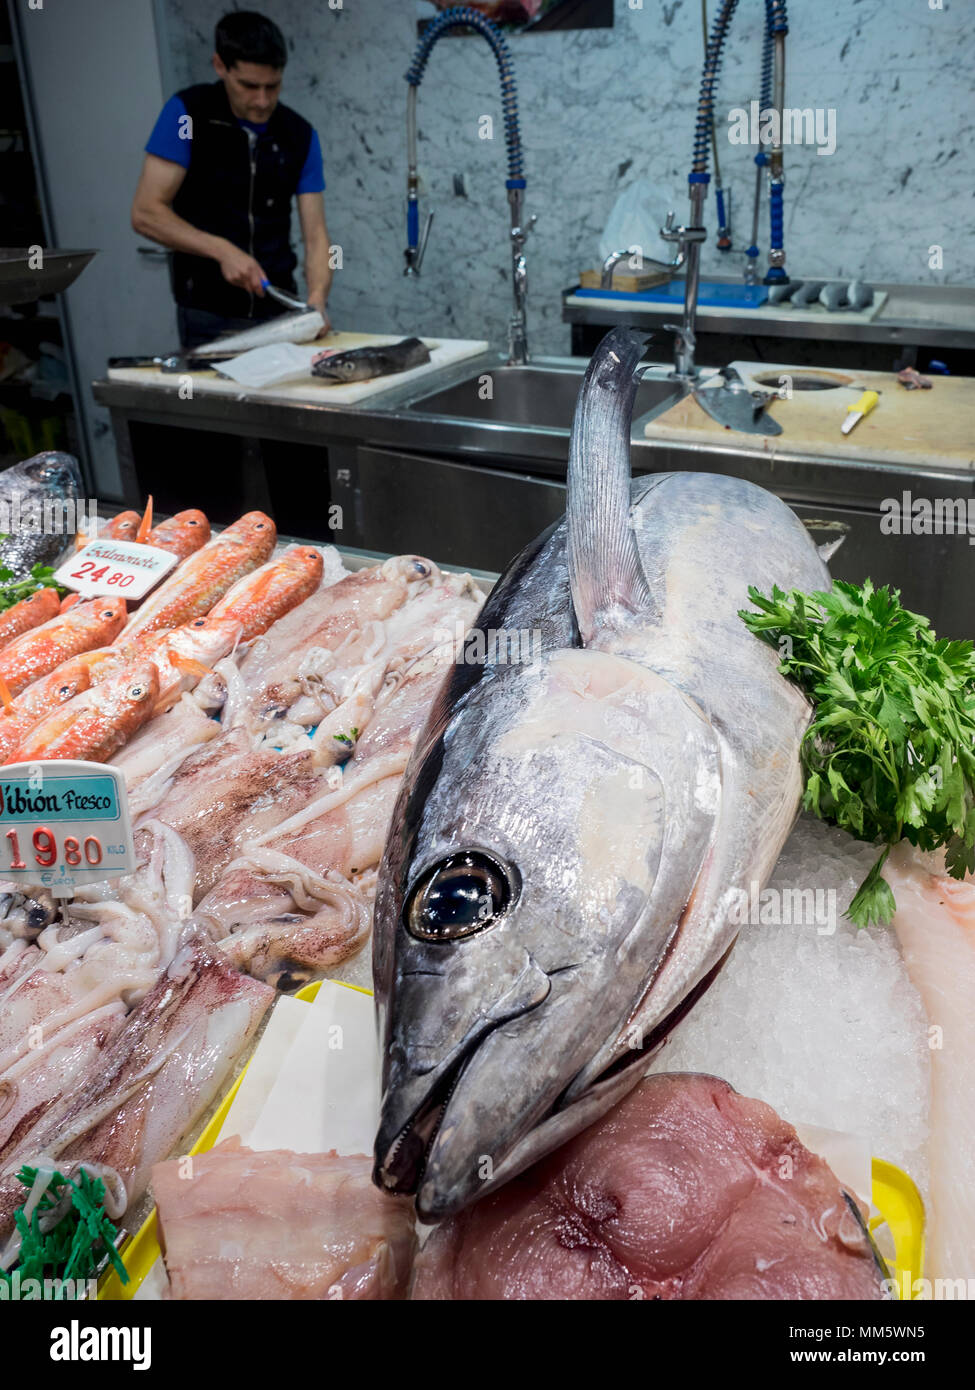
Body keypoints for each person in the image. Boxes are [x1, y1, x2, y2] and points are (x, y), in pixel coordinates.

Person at [132, 10, 332, 349]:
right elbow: (146, 213)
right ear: (220, 66)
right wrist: (221, 250)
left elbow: (316, 237)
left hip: (279, 311)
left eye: (273, 86)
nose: (262, 100)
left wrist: (317, 300)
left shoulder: (299, 135)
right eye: (249, 86)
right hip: (209, 315)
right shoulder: (187, 115)